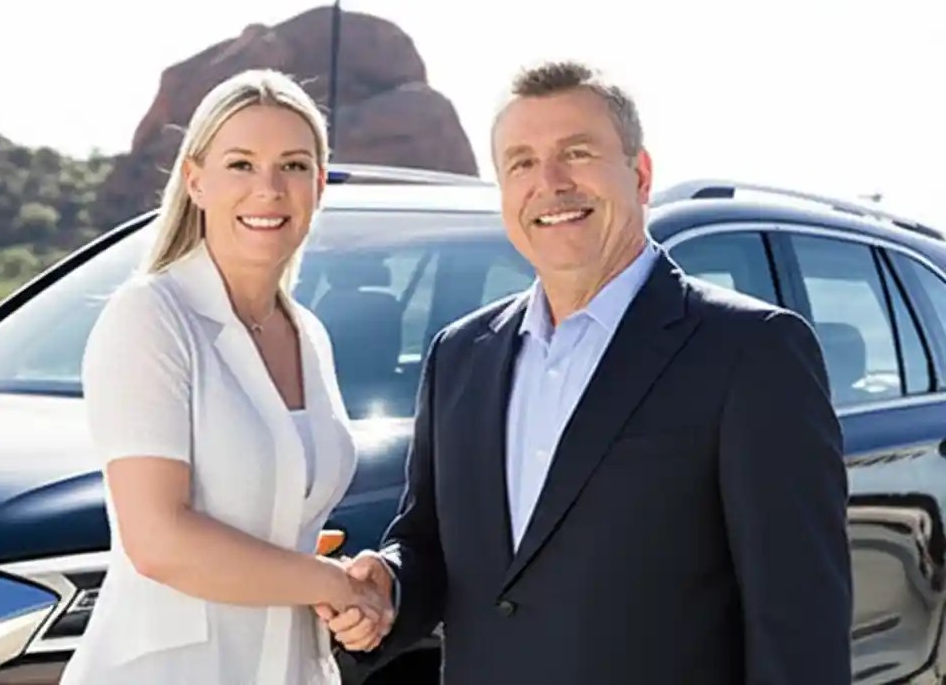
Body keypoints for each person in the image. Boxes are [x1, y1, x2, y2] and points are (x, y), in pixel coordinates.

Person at [321, 61, 853, 684]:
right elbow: (431, 547)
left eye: (576, 153)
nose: (549, 183)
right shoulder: (459, 355)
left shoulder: (751, 351)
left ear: (641, 174)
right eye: (520, 162)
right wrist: (389, 586)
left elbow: (798, 619)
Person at [64, 69, 391, 685]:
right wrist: (330, 584)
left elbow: (282, 524)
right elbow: (159, 541)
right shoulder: (151, 317)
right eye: (241, 164)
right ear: (195, 181)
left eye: (293, 166)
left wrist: (352, 594)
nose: (268, 189)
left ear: (319, 186)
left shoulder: (309, 336)